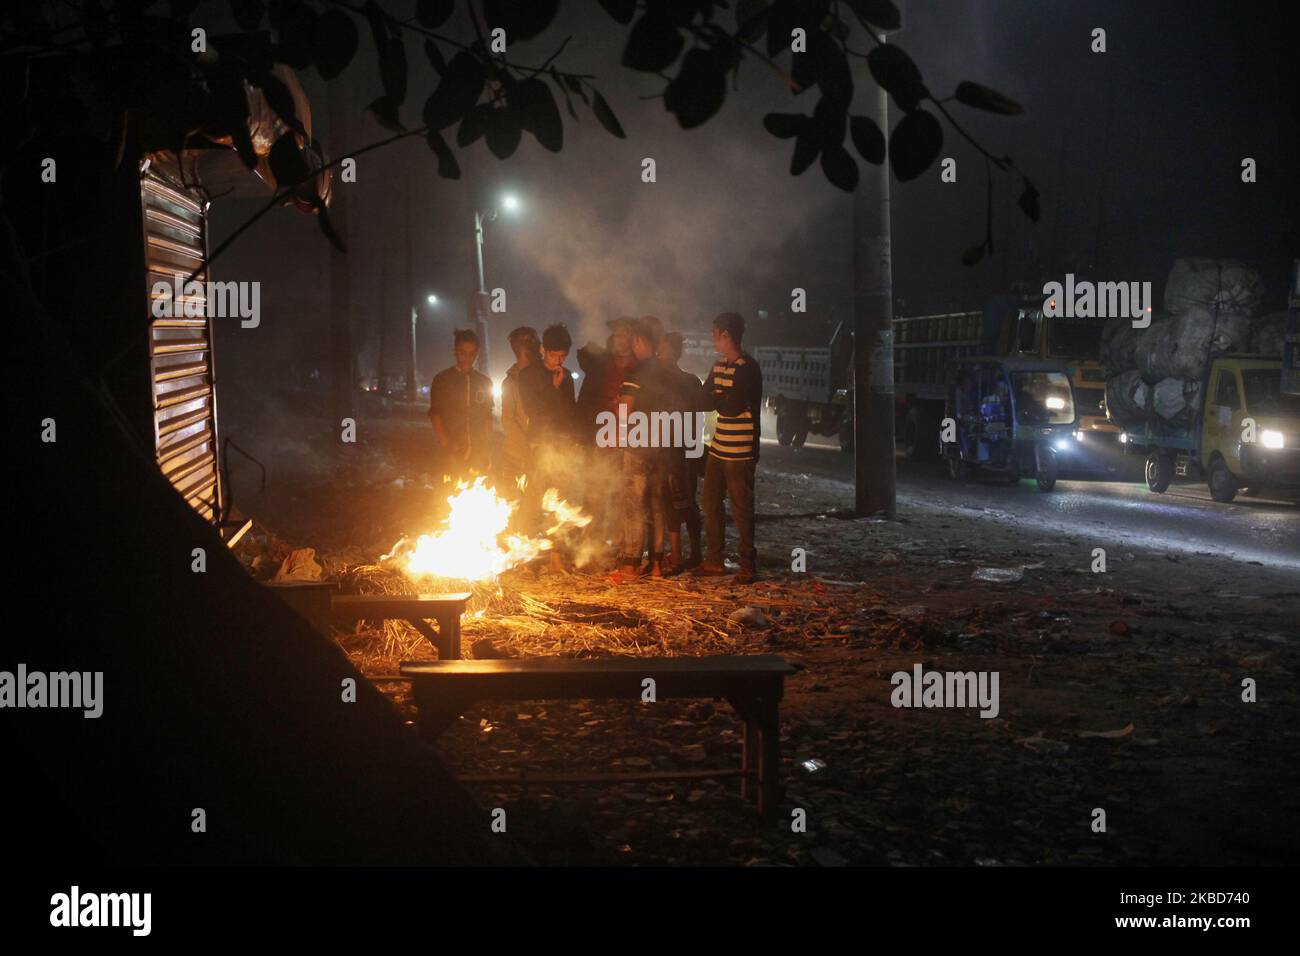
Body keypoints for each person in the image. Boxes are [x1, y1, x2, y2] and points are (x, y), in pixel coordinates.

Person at [696, 312, 762, 584]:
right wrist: (722, 398)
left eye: (714, 333)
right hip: (719, 445)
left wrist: (718, 398)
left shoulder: (747, 368)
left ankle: (748, 564)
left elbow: (733, 407)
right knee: (711, 504)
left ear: (725, 334)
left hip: (741, 449)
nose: (712, 337)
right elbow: (704, 400)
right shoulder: (720, 365)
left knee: (741, 508)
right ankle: (715, 560)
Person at [612, 318, 672, 581]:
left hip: (638, 448)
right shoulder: (667, 372)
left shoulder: (637, 373)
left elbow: (625, 407)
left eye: (632, 340)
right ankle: (657, 566)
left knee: (633, 506)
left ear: (639, 341)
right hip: (662, 447)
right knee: (658, 506)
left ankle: (631, 566)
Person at [576, 318, 639, 550]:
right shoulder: (601, 365)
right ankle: (590, 545)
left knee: (622, 496)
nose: (619, 339)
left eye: (623, 335)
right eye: (616, 335)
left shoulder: (640, 367)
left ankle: (619, 547)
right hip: (600, 439)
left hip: (629, 440)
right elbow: (586, 400)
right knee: (594, 493)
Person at [520, 323, 579, 571]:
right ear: (543, 350)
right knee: (533, 501)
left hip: (561, 446)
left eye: (563, 356)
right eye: (554, 355)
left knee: (560, 500)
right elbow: (534, 411)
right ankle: (525, 557)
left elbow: (569, 412)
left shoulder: (565, 379)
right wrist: (552, 389)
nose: (558, 360)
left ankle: (556, 555)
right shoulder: (528, 376)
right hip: (538, 446)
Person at [658, 331, 704, 572]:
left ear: (673, 351)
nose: (660, 352)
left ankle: (693, 553)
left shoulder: (687, 381)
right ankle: (677, 554)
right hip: (668, 450)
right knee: (670, 503)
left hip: (680, 452)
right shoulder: (684, 381)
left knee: (684, 504)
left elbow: (697, 419)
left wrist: (695, 452)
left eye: (663, 348)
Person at [427, 328, 493, 481]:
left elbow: (487, 416)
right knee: (450, 495)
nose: (467, 358)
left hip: (478, 452)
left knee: (478, 494)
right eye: (462, 353)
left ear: (476, 354)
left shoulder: (484, 382)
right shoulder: (442, 380)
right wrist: (446, 442)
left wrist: (488, 448)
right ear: (455, 352)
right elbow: (435, 413)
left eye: (471, 354)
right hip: (452, 451)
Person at [499, 325, 541, 492]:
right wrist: (528, 449)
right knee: (518, 506)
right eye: (536, 345)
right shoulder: (511, 383)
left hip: (541, 455)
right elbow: (508, 420)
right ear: (526, 350)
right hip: (518, 457)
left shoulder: (541, 378)